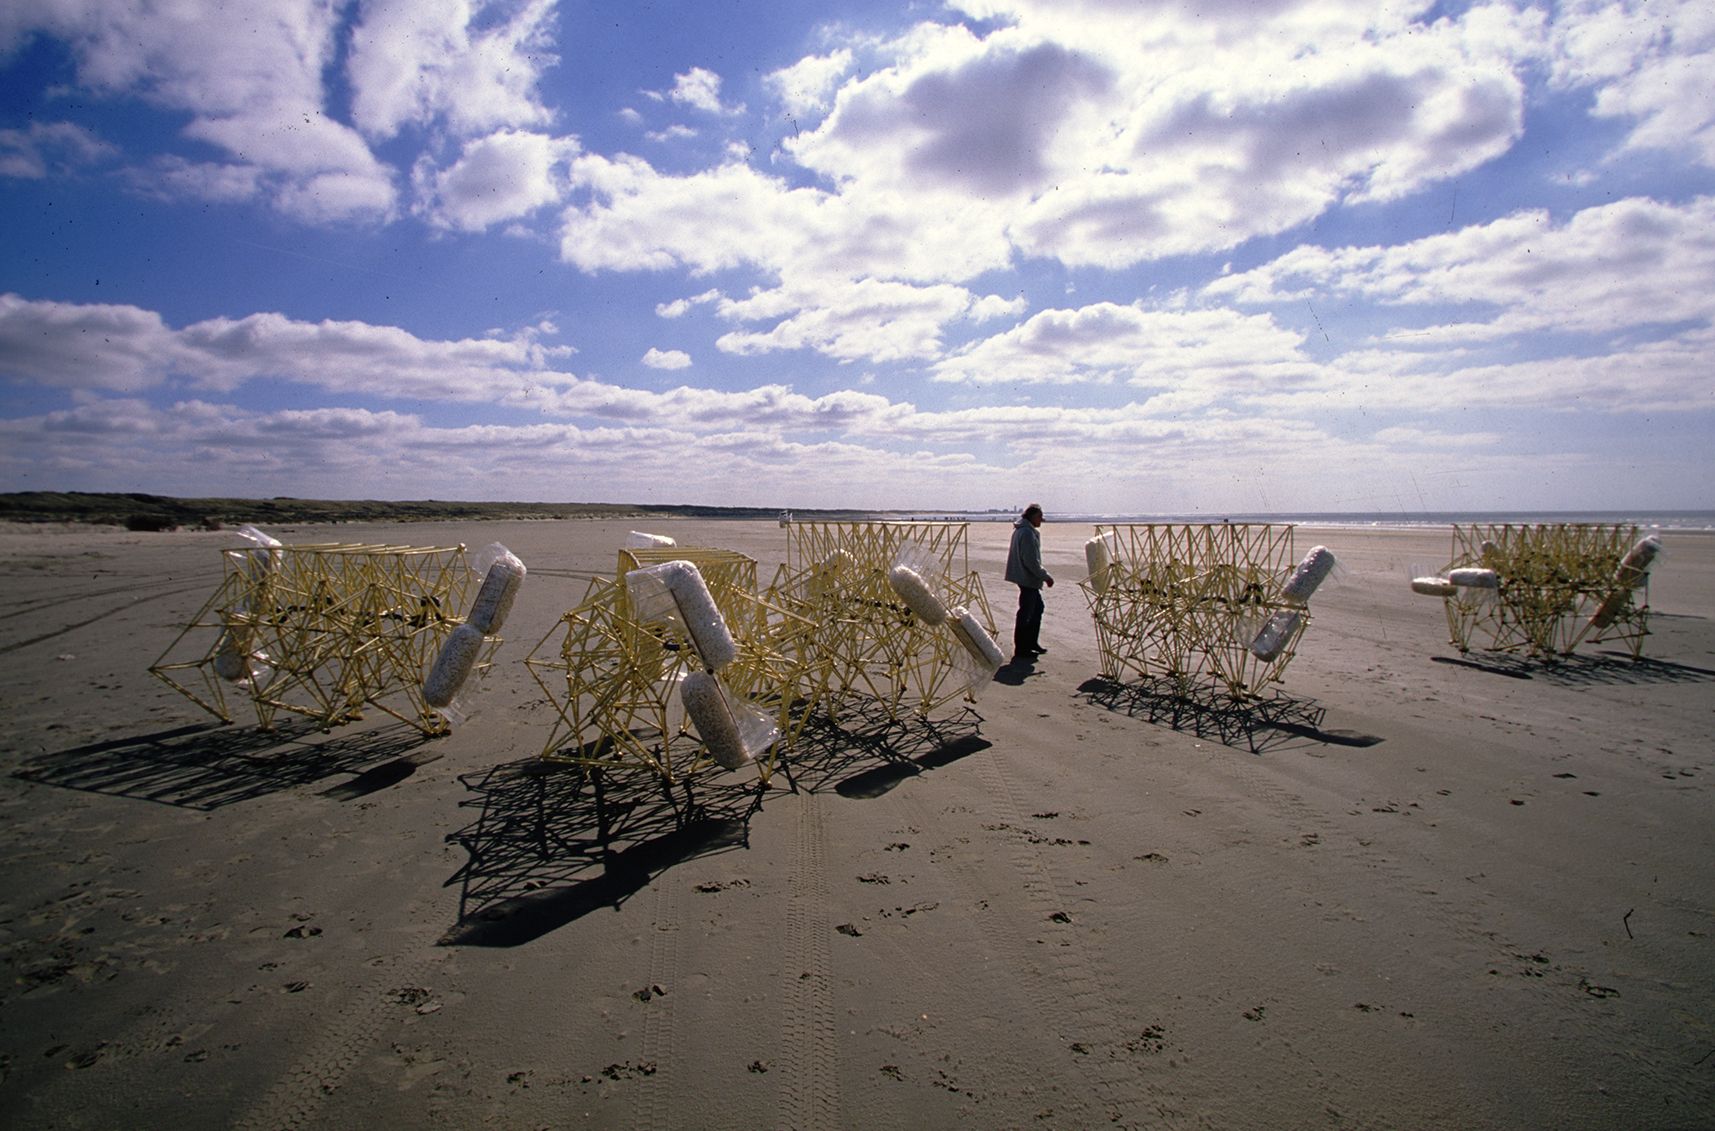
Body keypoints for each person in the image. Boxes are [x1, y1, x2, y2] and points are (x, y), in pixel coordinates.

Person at [1003, 503, 1053, 662]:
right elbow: (1031, 561)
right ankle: (1022, 648)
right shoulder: (1026, 533)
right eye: (1039, 516)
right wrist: (1045, 576)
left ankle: (1031, 643)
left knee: (1036, 609)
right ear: (1031, 516)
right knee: (1027, 612)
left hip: (1025, 577)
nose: (1042, 520)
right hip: (1027, 578)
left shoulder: (1024, 530)